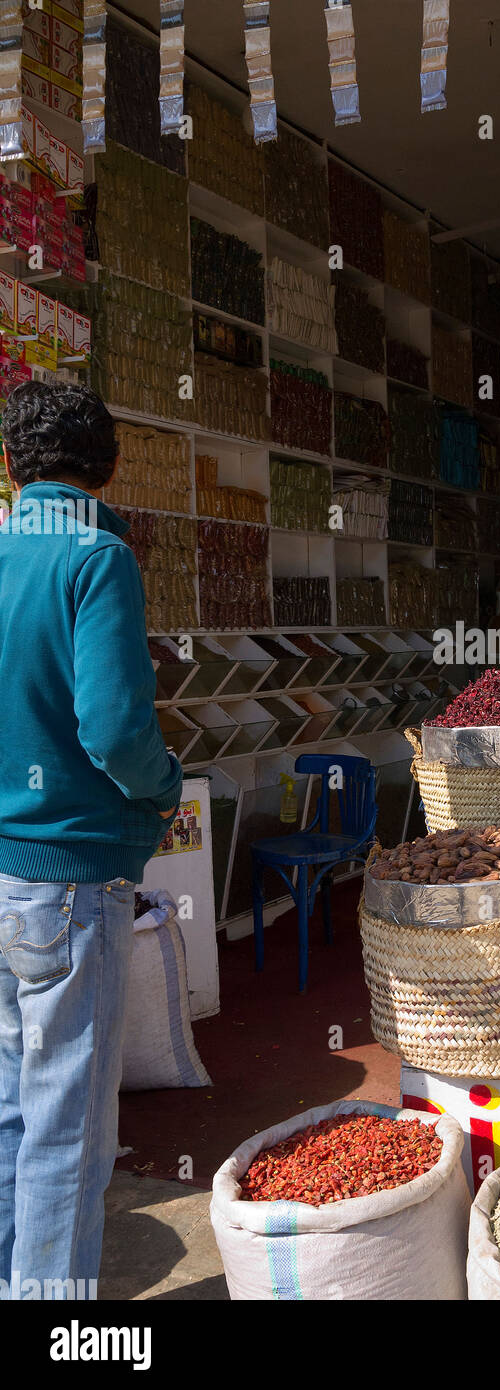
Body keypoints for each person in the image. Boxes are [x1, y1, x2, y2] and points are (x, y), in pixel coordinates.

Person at [0, 381, 182, 1301]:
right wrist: (164, 789)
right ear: (107, 466)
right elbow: (113, 727)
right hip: (68, 883)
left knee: (7, 1115)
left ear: (10, 466)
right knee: (66, 1129)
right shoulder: (96, 556)